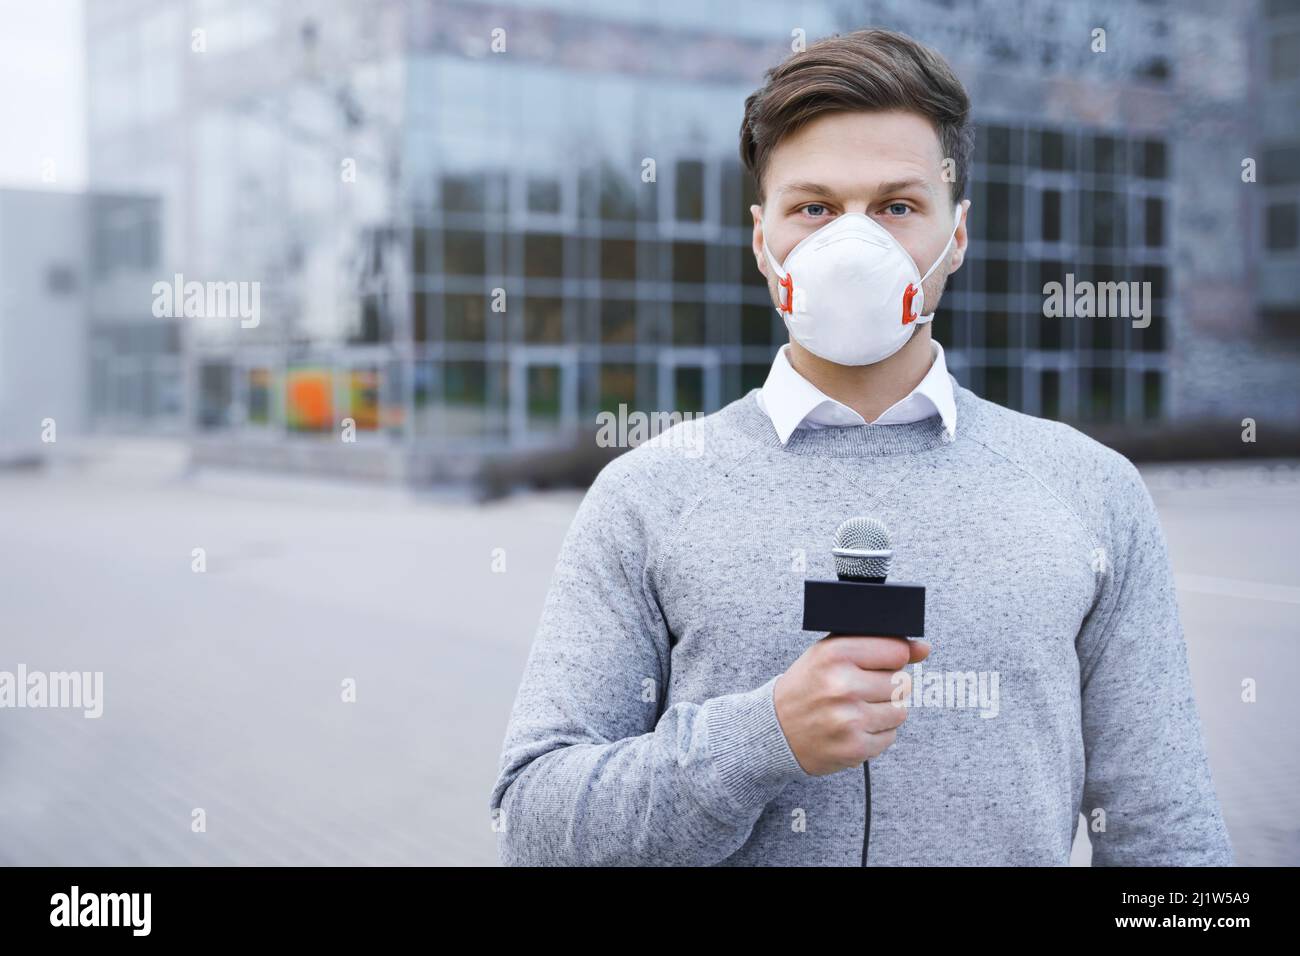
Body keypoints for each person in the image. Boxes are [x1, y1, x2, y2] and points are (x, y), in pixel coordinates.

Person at [488, 28, 1233, 866]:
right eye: (814, 208)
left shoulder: (1090, 490)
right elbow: (533, 824)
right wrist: (760, 737)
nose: (854, 246)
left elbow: (1169, 840)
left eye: (896, 207)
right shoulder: (645, 496)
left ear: (957, 235)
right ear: (761, 239)